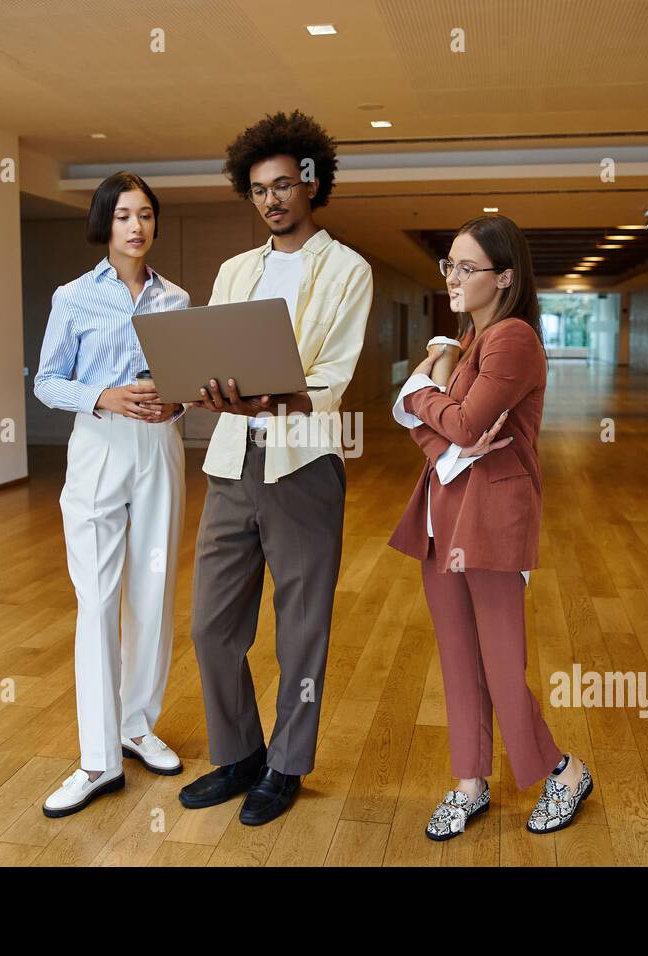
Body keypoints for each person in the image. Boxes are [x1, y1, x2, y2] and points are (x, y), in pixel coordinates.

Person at [176, 110, 373, 826]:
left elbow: (331, 382)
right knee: (211, 627)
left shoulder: (348, 270)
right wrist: (208, 389)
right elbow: (212, 354)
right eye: (258, 189)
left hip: (301, 466)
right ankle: (240, 754)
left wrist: (272, 396)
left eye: (284, 185)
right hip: (232, 459)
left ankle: (286, 766)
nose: (272, 200)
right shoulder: (235, 270)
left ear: (312, 184)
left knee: (300, 630)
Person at [387, 214, 595, 840]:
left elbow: (466, 426)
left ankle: (561, 771)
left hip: (492, 516)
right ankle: (469, 781)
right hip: (441, 511)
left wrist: (418, 388)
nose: (452, 276)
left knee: (502, 663)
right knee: (456, 655)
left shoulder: (512, 339)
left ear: (505, 277)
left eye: (467, 267)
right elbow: (447, 434)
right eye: (448, 264)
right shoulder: (467, 341)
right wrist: (440, 419)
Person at [34, 171, 190, 818]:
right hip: (98, 447)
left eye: (146, 214)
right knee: (97, 599)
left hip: (159, 449)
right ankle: (97, 759)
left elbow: (186, 384)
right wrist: (102, 394)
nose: (137, 225)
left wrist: (175, 402)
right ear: (106, 223)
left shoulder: (176, 299)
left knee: (151, 594)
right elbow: (46, 381)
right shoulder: (72, 298)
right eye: (124, 214)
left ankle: (136, 726)